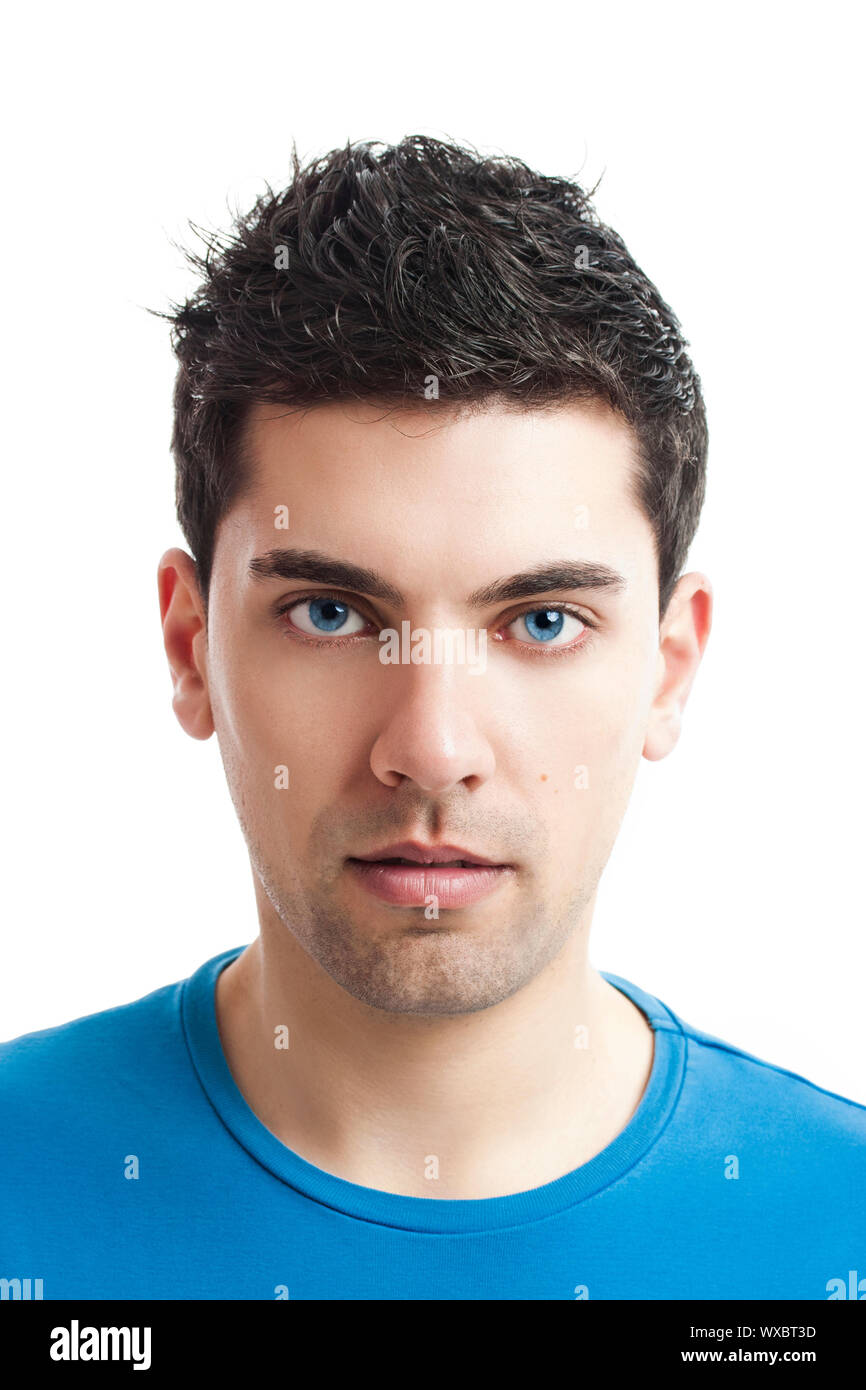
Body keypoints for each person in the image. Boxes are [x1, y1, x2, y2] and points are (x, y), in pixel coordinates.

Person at [2, 136, 863, 1302]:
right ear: (189, 641)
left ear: (668, 666)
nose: (430, 746)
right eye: (329, 612)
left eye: (541, 621)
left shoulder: (835, 1232)